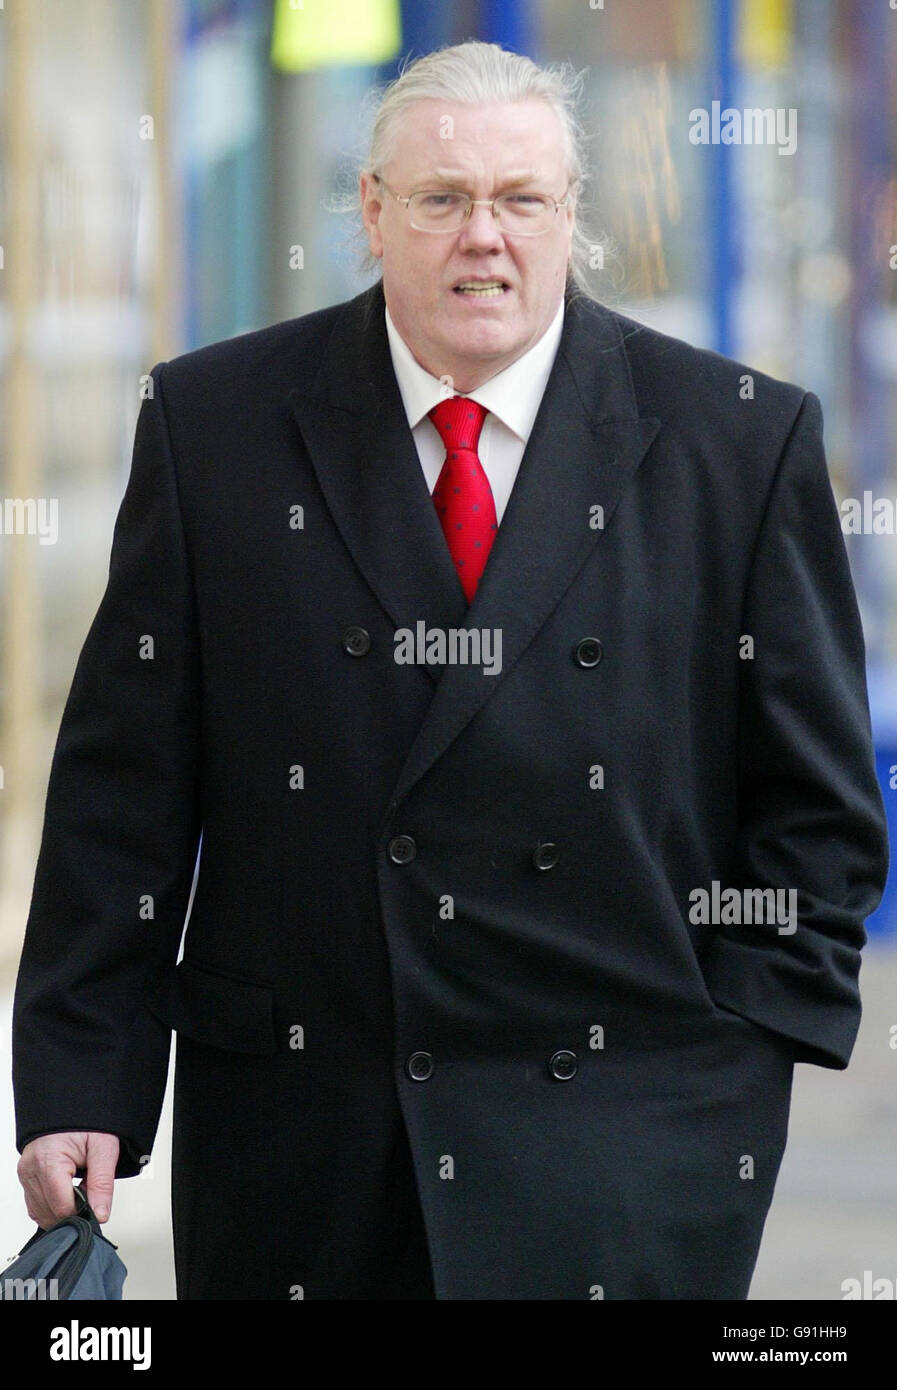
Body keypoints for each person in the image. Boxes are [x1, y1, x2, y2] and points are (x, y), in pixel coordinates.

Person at [13, 40, 889, 1300]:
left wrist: (718, 1096)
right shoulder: (214, 427)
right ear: (372, 212)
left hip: (620, 1171)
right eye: (442, 199)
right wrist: (81, 1078)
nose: (486, 237)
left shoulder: (737, 442)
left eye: (521, 199)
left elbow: (818, 821)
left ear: (570, 215)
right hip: (299, 1158)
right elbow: (120, 801)